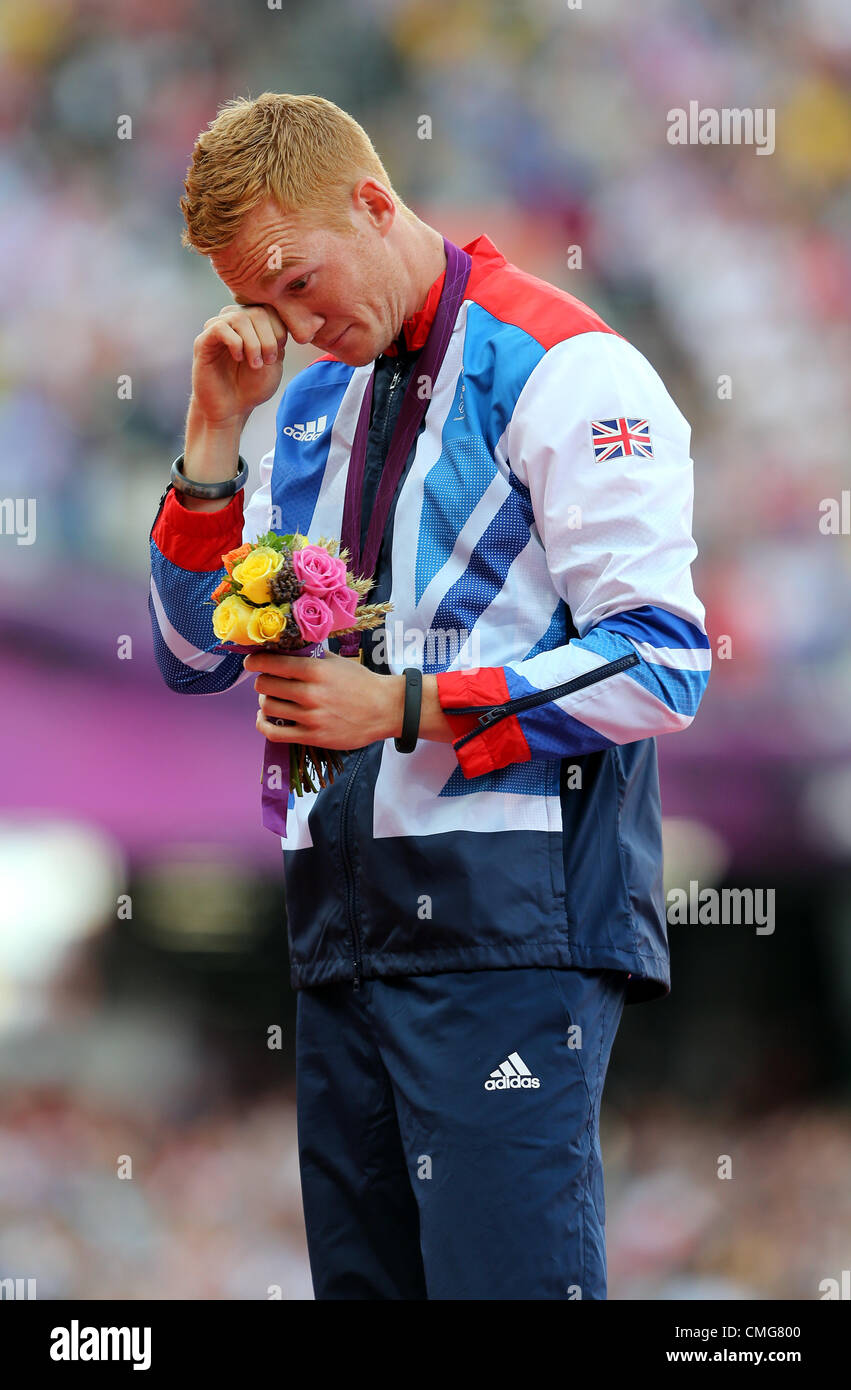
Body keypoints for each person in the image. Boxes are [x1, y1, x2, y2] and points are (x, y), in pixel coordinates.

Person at [149, 92, 711, 1300]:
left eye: (302, 283)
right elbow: (191, 657)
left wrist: (401, 706)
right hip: (335, 927)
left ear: (372, 199)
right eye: (266, 304)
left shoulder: (570, 367)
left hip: (507, 923)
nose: (297, 324)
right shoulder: (303, 401)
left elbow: (662, 658)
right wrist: (209, 437)